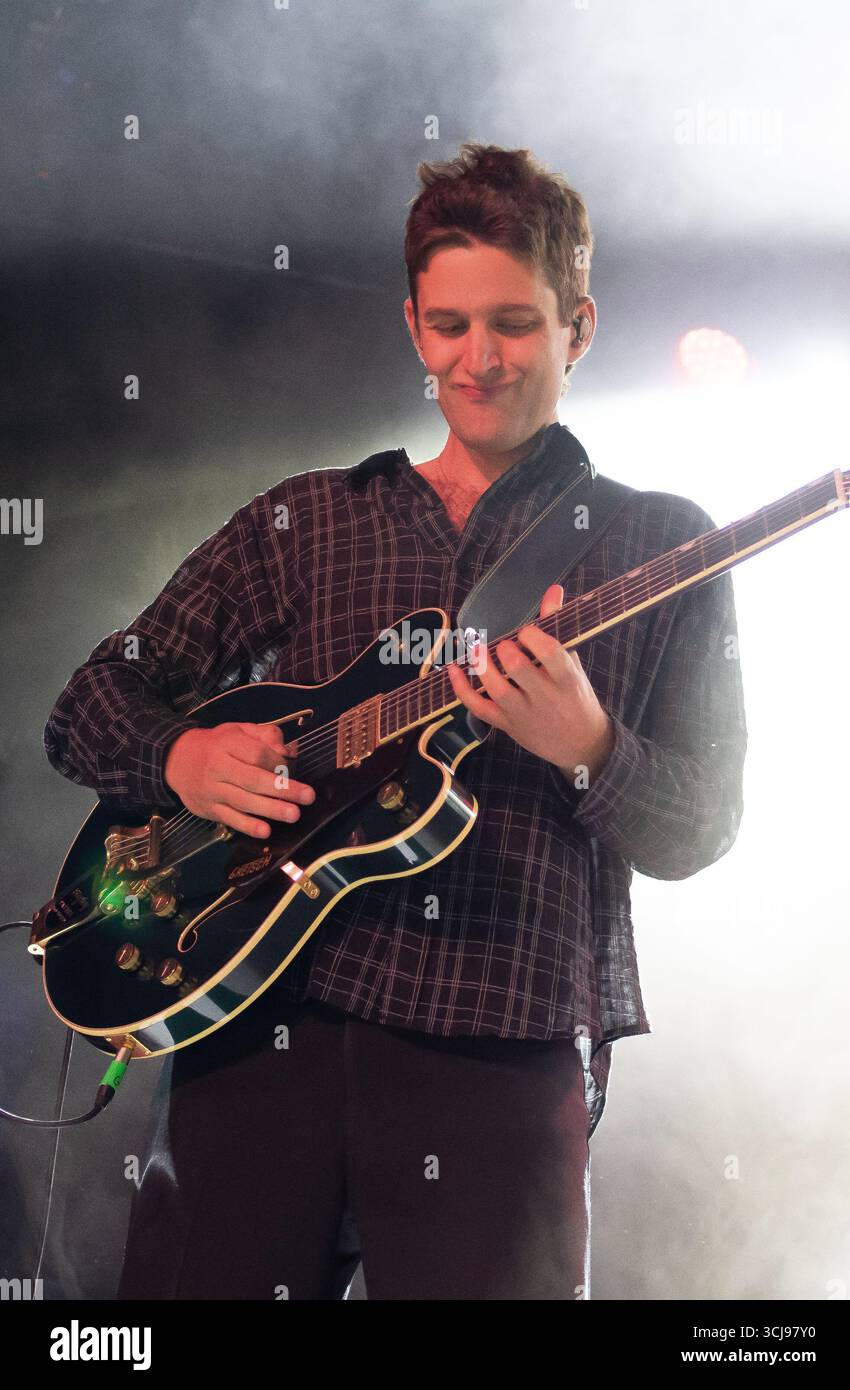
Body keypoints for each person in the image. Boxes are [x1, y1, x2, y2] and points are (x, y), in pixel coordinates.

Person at [43, 142, 748, 1301]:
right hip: (259, 1025)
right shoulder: (310, 518)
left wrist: (587, 746)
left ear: (577, 327)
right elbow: (89, 703)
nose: (479, 360)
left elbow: (702, 824)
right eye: (449, 325)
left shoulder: (663, 541)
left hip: (501, 1038)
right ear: (413, 328)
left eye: (514, 325)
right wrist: (182, 756)